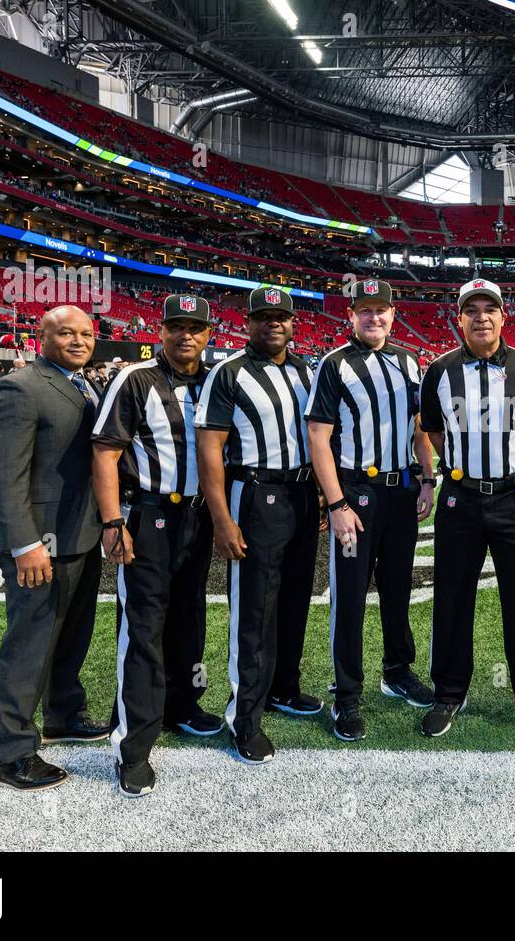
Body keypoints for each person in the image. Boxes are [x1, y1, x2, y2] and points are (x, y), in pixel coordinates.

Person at [417, 278, 515, 738]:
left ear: (503, 316)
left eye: (489, 309)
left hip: (513, 498)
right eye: (471, 310)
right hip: (460, 499)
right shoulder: (438, 371)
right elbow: (433, 432)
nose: (481, 317)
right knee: (452, 597)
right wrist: (463, 466)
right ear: (459, 318)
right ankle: (449, 692)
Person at [93, 294, 221, 796]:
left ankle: (184, 706)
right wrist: (112, 520)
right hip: (149, 514)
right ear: (161, 331)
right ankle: (134, 743)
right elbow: (106, 453)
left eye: (196, 328)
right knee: (143, 626)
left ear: (210, 333)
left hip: (199, 516)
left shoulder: (216, 378)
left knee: (190, 615)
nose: (186, 335)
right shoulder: (135, 378)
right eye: (176, 327)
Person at [0, 305, 106, 792]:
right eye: (66, 333)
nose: (78, 341)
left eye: (86, 333)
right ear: (42, 336)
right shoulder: (20, 386)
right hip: (41, 538)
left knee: (72, 632)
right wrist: (24, 542)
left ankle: (63, 713)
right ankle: (12, 755)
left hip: (80, 531)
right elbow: (0, 474)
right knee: (30, 642)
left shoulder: (82, 383)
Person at [195, 287, 325, 765]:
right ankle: (243, 715)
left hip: (301, 493)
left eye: (282, 317)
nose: (274, 324)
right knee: (253, 609)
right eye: (263, 317)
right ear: (247, 322)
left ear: (294, 323)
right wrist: (221, 518)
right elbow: (210, 449)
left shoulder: (304, 370)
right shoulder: (228, 373)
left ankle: (283, 689)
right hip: (256, 493)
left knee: (294, 598)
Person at [305, 278, 436, 743]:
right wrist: (336, 502)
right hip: (356, 491)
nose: (374, 317)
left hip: (401, 491)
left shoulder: (407, 361)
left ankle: (397, 671)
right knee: (351, 595)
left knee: (399, 587)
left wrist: (427, 476)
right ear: (351, 316)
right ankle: (346, 693)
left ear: (393, 315)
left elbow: (419, 425)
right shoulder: (334, 364)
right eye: (365, 310)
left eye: (382, 310)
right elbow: (318, 437)